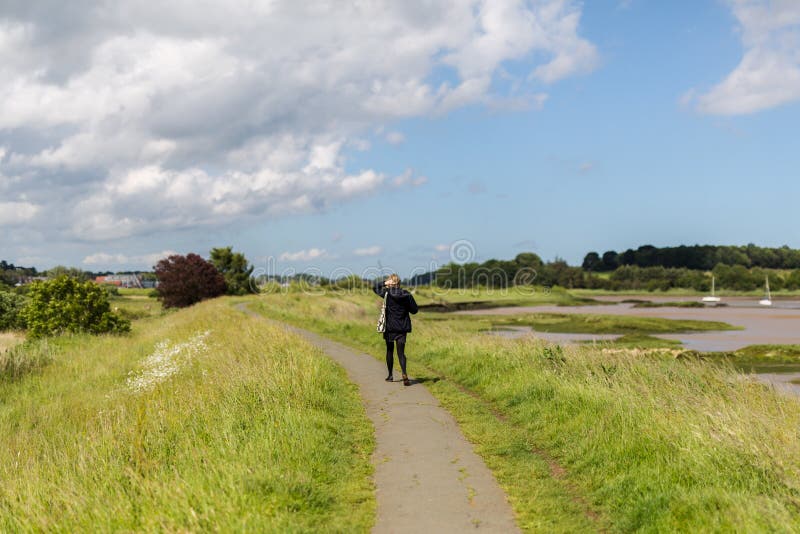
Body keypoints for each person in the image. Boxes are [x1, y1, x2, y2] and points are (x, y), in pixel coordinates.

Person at [374, 274, 418, 386]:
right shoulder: (406, 294)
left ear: (391, 283)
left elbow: (374, 287)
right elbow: (414, 310)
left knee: (390, 351)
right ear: (399, 283)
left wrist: (384, 283)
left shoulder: (387, 294)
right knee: (401, 353)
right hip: (402, 327)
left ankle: (390, 376)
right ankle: (404, 373)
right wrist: (406, 307)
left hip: (390, 327)